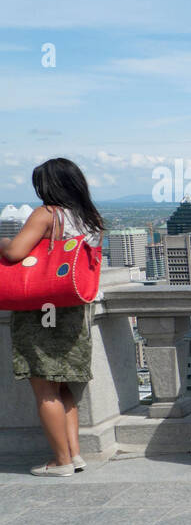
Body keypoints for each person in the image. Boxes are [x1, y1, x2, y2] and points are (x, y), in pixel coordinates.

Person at [0, 158, 102, 477]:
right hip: (72, 309)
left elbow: (15, 252)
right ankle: (74, 454)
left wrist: (2, 241)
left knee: (44, 388)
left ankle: (61, 461)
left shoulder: (47, 214)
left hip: (41, 311)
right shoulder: (89, 217)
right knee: (63, 384)